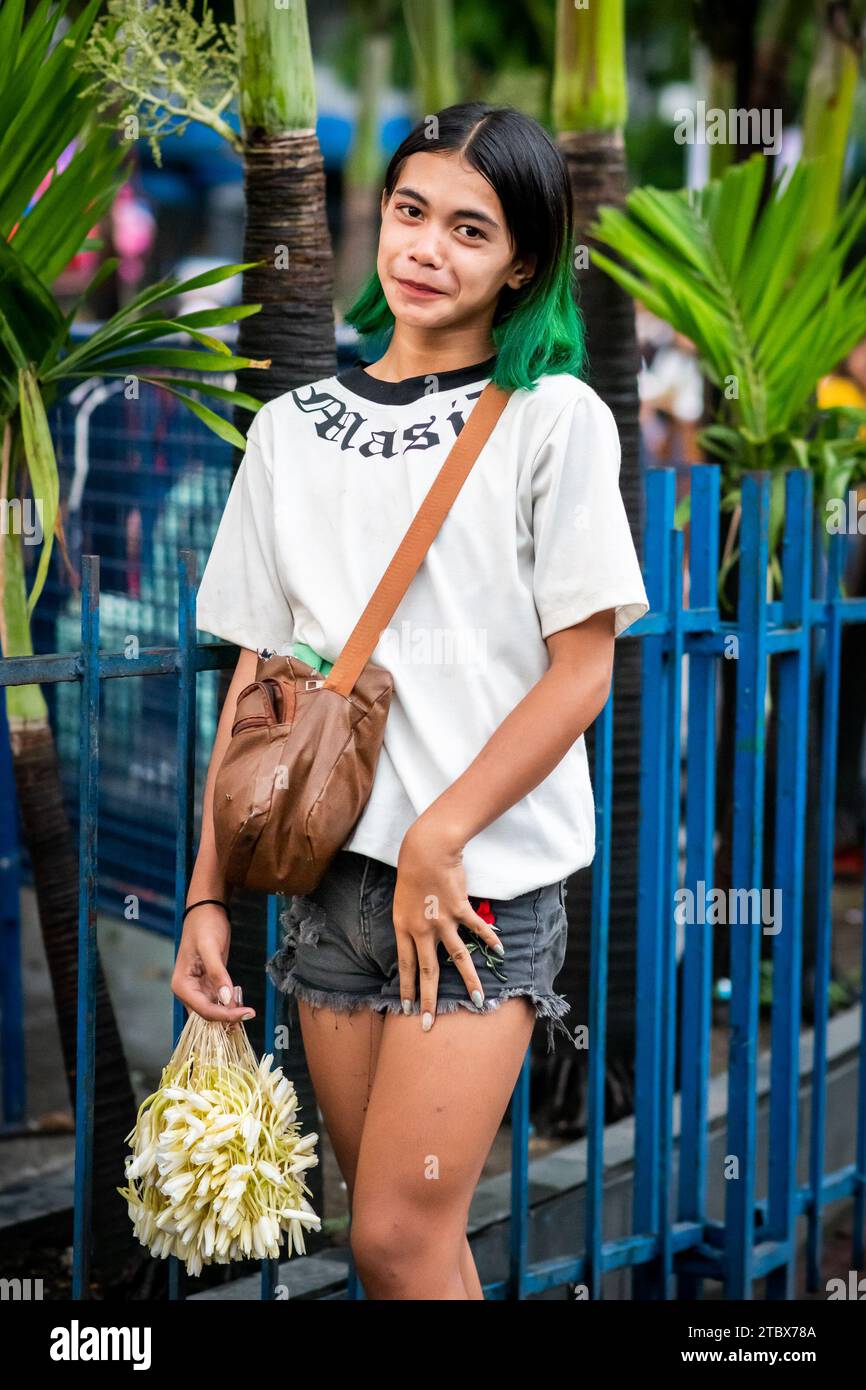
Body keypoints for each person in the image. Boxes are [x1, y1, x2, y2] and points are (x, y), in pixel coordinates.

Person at [177, 102, 650, 1300]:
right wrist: (204, 897)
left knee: (393, 1235)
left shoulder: (551, 419)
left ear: (522, 262)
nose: (425, 247)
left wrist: (441, 833)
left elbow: (583, 668)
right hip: (328, 882)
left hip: (474, 886)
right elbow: (258, 682)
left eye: (469, 229)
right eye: (407, 211)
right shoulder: (291, 428)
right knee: (398, 1243)